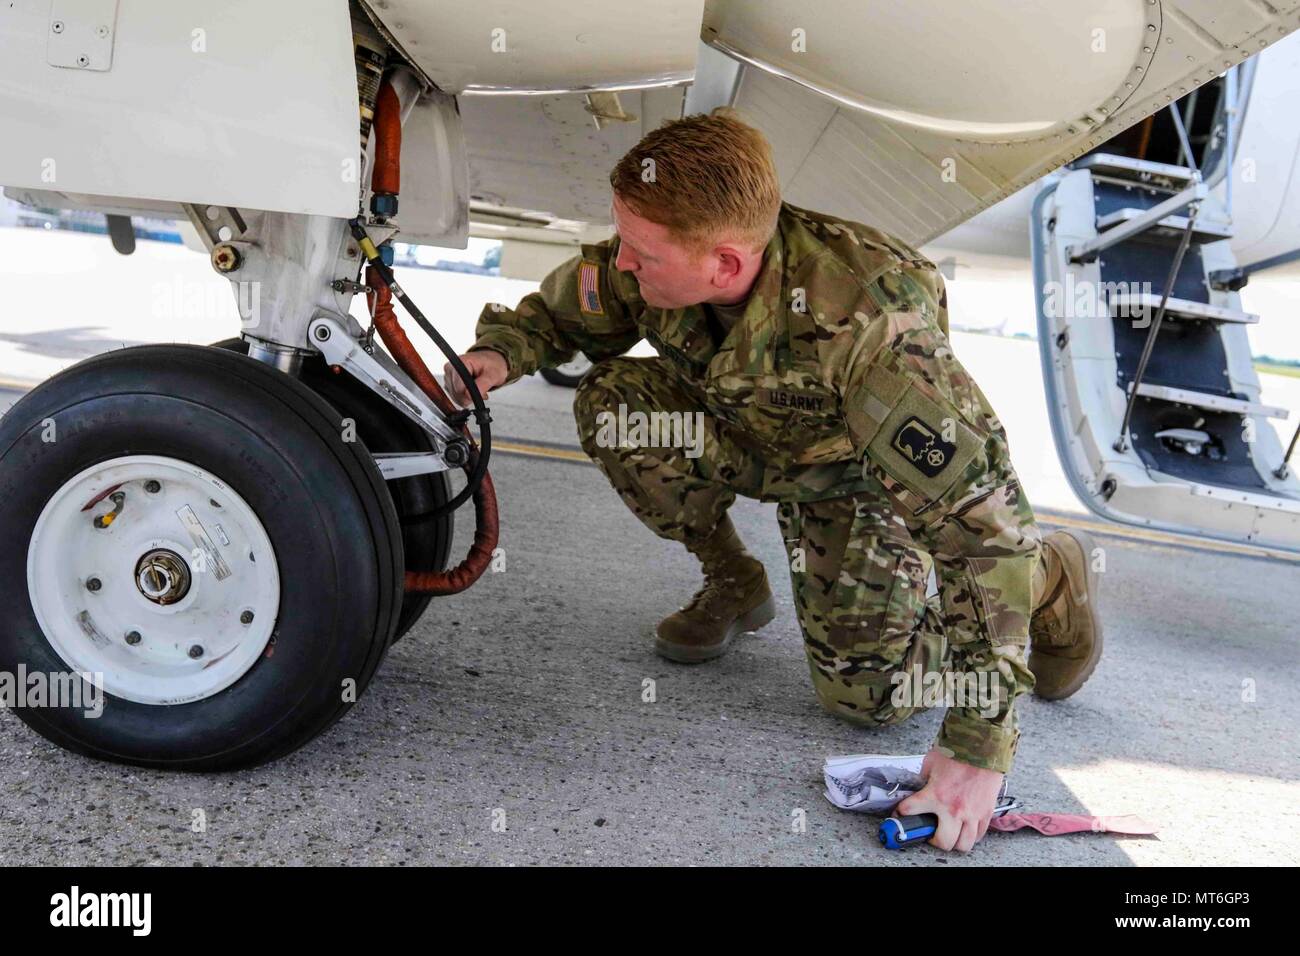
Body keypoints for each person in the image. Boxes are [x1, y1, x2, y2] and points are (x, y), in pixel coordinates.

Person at [445, 109, 1103, 852]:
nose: (623, 263)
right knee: (615, 405)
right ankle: (732, 580)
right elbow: (565, 313)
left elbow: (984, 524)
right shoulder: (666, 244)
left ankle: (1054, 576)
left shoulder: (868, 324)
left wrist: (979, 743)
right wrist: (499, 356)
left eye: (639, 254)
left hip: (853, 480)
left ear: (723, 265)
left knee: (867, 697)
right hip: (744, 433)